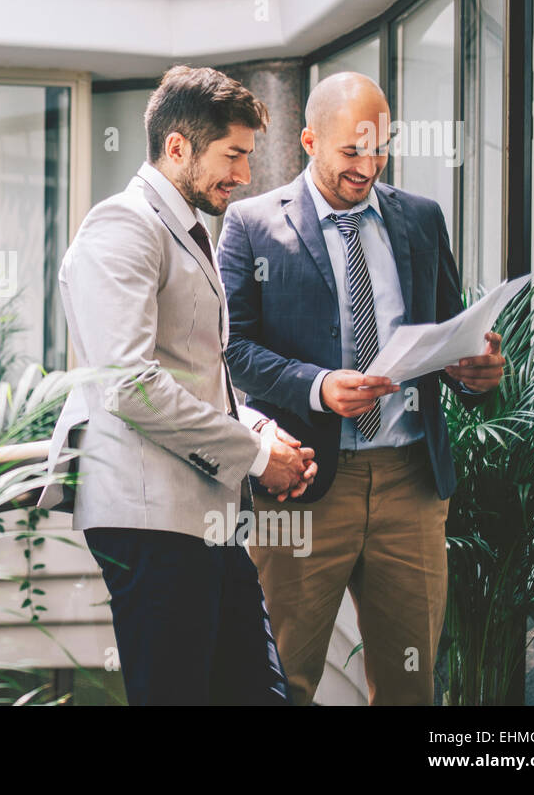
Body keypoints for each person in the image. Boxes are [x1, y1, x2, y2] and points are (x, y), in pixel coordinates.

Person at [216, 71, 506, 705]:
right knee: (283, 680)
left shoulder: (422, 220)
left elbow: (452, 336)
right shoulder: (250, 224)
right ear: (310, 140)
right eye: (352, 150)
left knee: (410, 685)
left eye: (381, 147)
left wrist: (476, 373)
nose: (369, 165)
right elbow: (231, 351)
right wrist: (319, 387)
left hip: (411, 484)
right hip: (303, 484)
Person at [40, 64, 316, 705]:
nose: (245, 175)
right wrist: (255, 456)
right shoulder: (122, 225)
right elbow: (130, 386)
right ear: (176, 147)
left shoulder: (183, 228)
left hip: (203, 521)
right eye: (234, 155)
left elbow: (188, 374)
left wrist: (258, 431)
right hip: (150, 523)